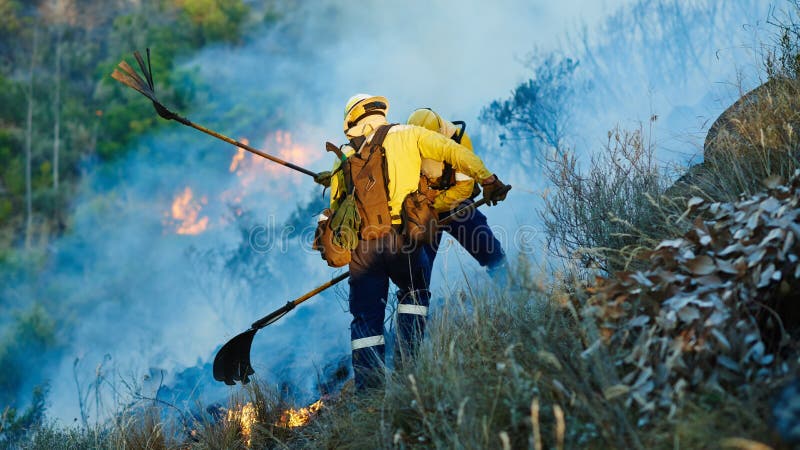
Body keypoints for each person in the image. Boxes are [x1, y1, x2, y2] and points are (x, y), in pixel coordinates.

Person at [319, 94, 508, 391]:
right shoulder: (410, 135)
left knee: (366, 320)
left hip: (369, 248)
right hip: (404, 237)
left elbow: (336, 207)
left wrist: (333, 178)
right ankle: (410, 369)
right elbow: (458, 158)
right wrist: (489, 178)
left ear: (352, 122)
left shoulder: (343, 155)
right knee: (415, 294)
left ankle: (369, 393)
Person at [406, 108, 509, 282]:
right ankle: (415, 300)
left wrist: (434, 205)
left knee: (484, 242)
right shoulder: (405, 146)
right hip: (423, 210)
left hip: (455, 201)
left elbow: (465, 187)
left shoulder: (459, 142)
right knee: (418, 264)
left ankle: (509, 288)